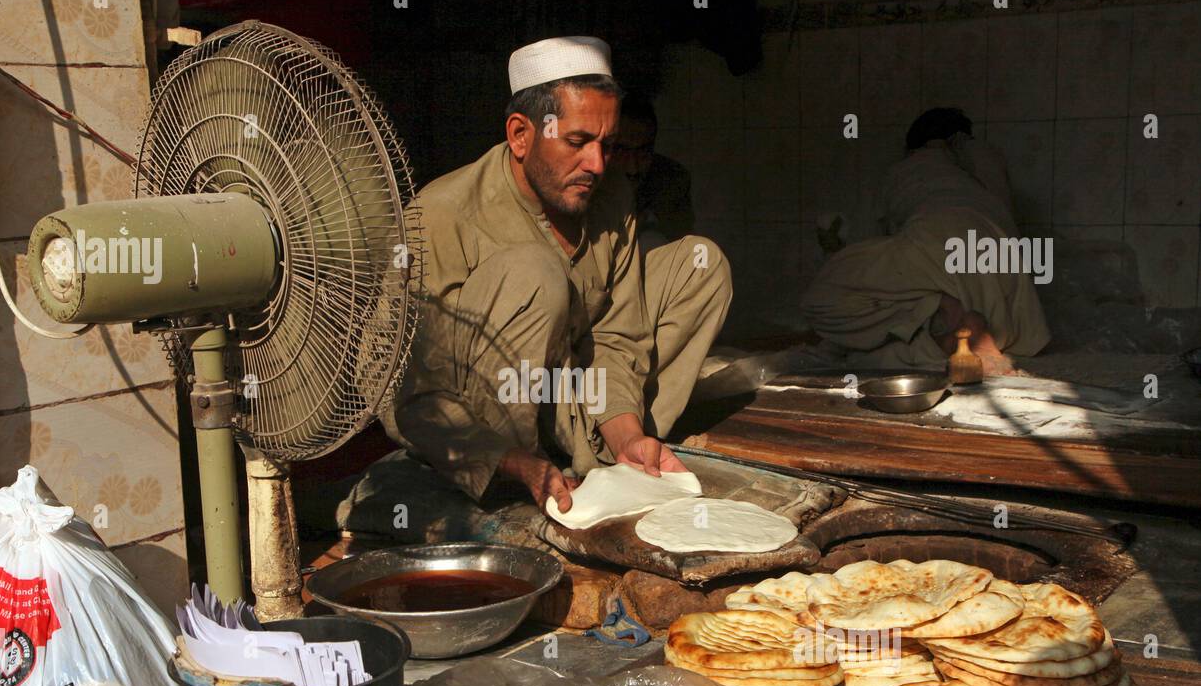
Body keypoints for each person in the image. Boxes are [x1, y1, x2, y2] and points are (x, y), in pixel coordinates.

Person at [383, 36, 732, 514]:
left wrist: (627, 433)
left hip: (573, 398)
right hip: (482, 429)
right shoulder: (438, 216)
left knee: (700, 263)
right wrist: (507, 460)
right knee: (533, 269)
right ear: (520, 135)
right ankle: (521, 473)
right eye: (577, 142)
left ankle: (614, 457)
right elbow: (406, 394)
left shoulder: (610, 197)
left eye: (606, 145)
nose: (598, 164)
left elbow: (617, 335)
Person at [802, 107, 1049, 374]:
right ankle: (969, 333)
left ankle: (950, 316)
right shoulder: (978, 167)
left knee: (822, 296)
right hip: (1002, 259)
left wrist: (833, 252)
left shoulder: (904, 170)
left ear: (912, 146)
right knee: (906, 321)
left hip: (937, 237)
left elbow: (870, 245)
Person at [612, 94, 694, 253]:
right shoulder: (593, 177)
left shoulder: (672, 179)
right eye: (622, 150)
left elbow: (681, 242)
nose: (633, 166)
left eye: (642, 151)